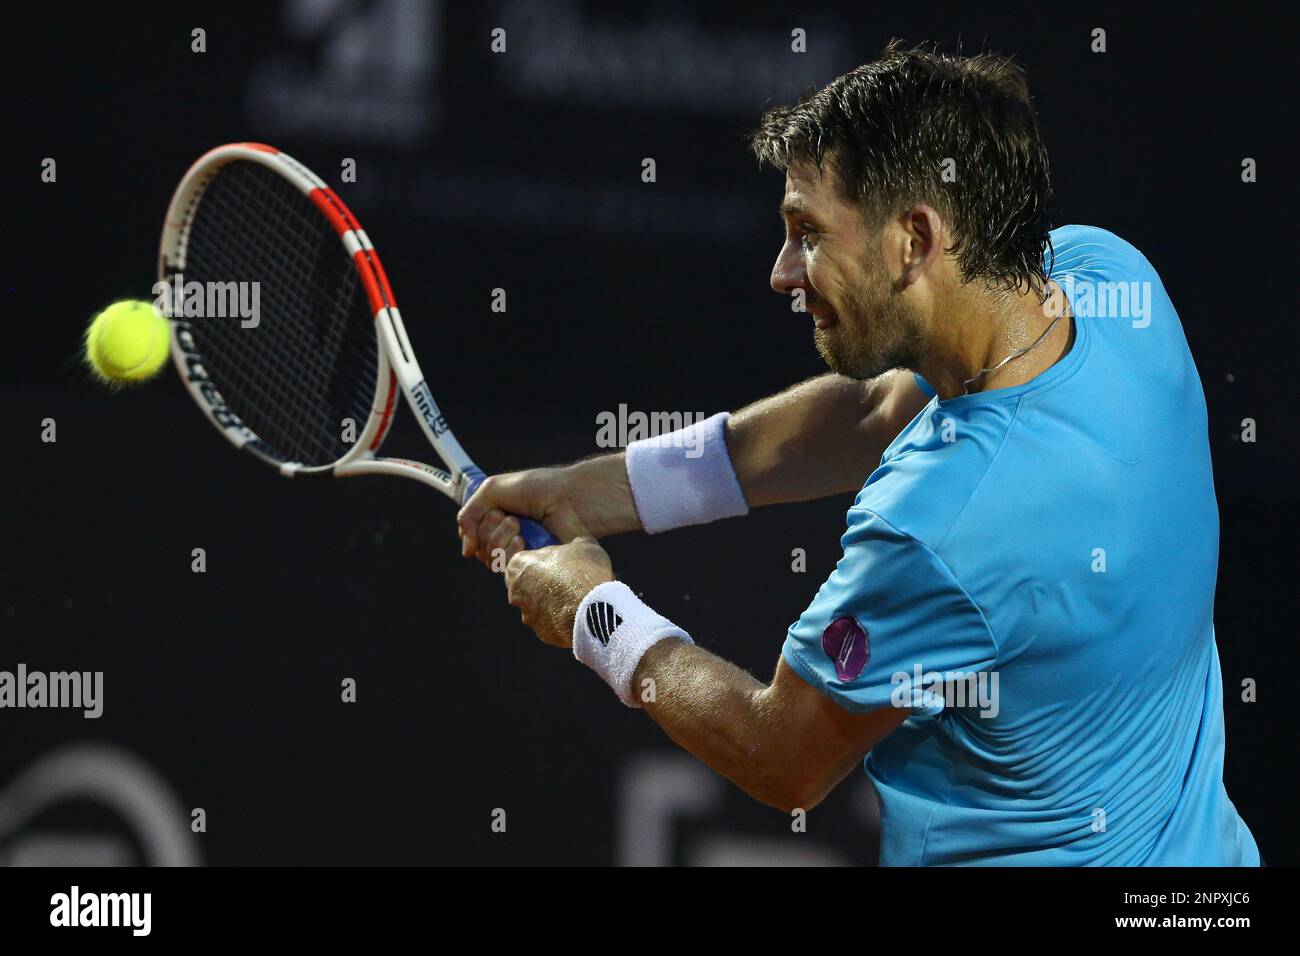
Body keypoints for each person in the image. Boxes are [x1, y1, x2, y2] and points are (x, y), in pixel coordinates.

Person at [456, 41, 1260, 866]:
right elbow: (878, 408)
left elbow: (782, 756)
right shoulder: (1113, 283)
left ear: (915, 238)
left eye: (808, 233)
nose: (782, 274)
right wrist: (597, 491)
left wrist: (592, 612)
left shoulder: (939, 528)